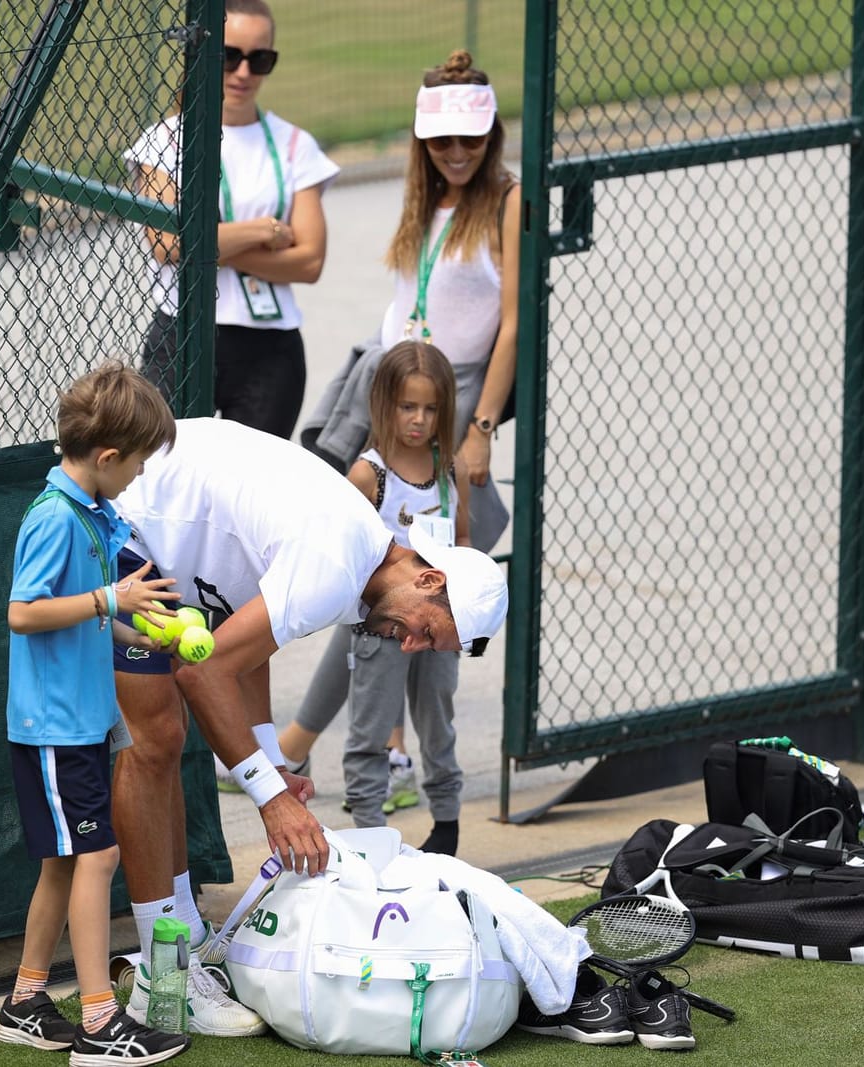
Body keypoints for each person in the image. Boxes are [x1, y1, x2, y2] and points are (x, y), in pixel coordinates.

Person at [109, 416, 509, 1035]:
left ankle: (180, 945)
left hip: (145, 517)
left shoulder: (357, 562)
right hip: (120, 509)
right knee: (157, 737)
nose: (409, 650)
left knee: (169, 736)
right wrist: (271, 799)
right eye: (427, 631)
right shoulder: (336, 566)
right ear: (429, 579)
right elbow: (206, 671)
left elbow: (244, 642)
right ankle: (161, 978)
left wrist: (271, 761)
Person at [278, 49, 522, 788]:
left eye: (469, 142)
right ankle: (367, 742)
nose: (455, 154)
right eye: (441, 142)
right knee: (374, 571)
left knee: (412, 579)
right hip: (392, 389)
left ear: (491, 138)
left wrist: (479, 428)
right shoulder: (424, 199)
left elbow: (512, 325)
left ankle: (305, 744)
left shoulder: (508, 201)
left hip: (449, 403)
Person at [0, 363, 190, 1065]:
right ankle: (101, 1023)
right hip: (54, 728)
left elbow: (85, 619)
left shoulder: (92, 513)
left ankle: (25, 1000)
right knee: (95, 854)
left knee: (60, 863)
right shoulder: (55, 518)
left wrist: (144, 629)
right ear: (107, 457)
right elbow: (24, 611)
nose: (139, 474)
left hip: (77, 722)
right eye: (137, 462)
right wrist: (112, 602)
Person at [125, 0, 337, 438]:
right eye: (230, 55)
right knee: (165, 475)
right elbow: (168, 246)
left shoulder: (295, 143)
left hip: (270, 346)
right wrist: (267, 231)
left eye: (259, 60)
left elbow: (311, 262)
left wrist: (215, 247)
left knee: (251, 493)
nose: (243, 73)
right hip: (182, 334)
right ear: (204, 53)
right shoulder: (163, 140)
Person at [336, 341, 473, 853]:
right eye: (407, 406)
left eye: (431, 408)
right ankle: (372, 837)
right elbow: (349, 559)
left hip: (440, 630)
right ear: (384, 404)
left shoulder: (449, 467)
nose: (418, 419)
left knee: (438, 720)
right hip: (382, 632)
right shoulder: (368, 476)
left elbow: (463, 541)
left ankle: (447, 824)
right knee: (370, 730)